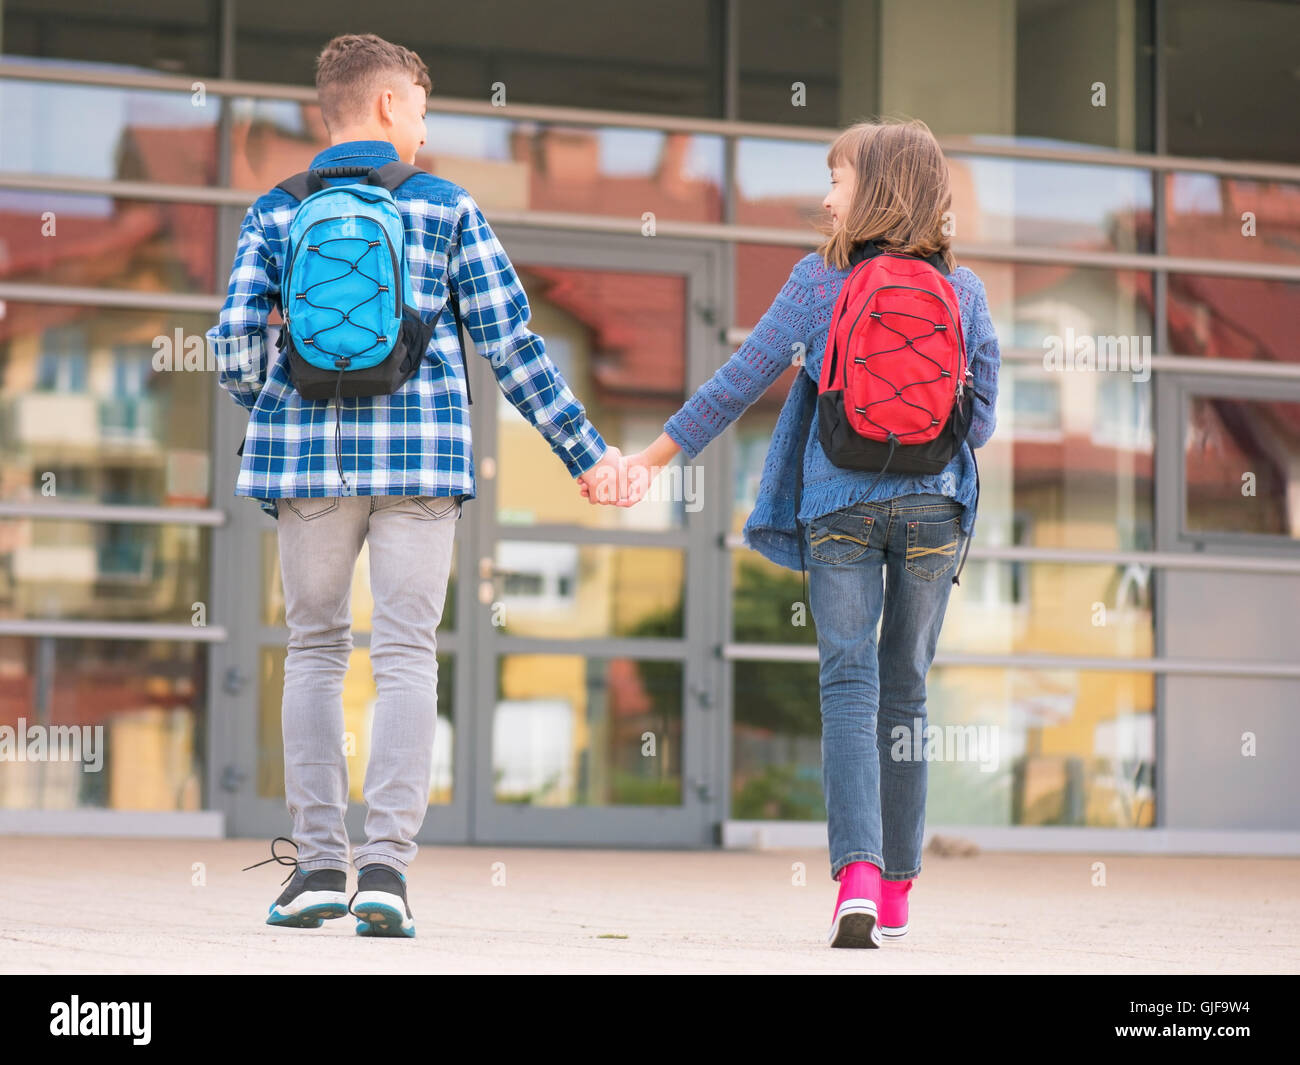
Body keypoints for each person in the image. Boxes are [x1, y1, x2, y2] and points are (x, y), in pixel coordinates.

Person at [209, 33, 622, 937]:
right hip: (425, 459)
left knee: (315, 649)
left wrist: (279, 402)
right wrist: (587, 455)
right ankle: (387, 873)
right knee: (404, 652)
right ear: (390, 106)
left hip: (307, 462)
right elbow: (513, 344)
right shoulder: (444, 206)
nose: (427, 132)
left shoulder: (275, 211)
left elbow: (234, 346)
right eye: (425, 112)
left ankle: (319, 865)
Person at [584, 118, 1001, 948]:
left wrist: (654, 458)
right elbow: (980, 422)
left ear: (875, 187)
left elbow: (737, 383)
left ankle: (855, 875)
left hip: (839, 503)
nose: (825, 196)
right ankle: (897, 895)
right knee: (907, 688)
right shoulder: (968, 292)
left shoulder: (820, 281)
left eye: (837, 181)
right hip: (933, 511)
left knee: (849, 683)